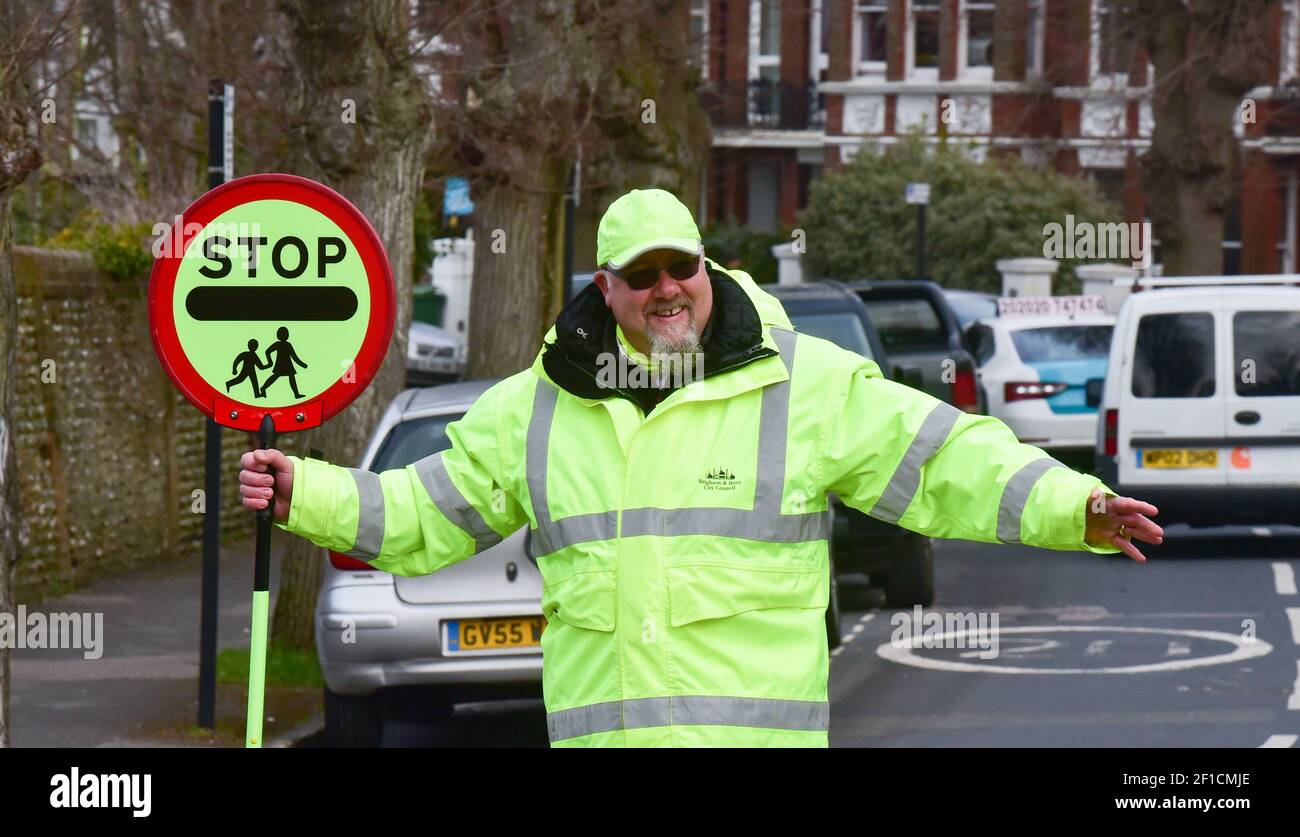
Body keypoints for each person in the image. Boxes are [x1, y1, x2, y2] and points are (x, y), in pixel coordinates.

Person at [239, 188, 1161, 747]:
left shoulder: (801, 384)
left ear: (709, 267)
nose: (666, 287)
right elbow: (421, 512)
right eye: (642, 275)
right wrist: (302, 490)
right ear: (606, 288)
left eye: (682, 265)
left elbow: (943, 455)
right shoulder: (538, 404)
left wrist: (1070, 503)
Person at [260, 326, 308, 399]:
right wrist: (270, 362)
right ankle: (263, 388)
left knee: (289, 377)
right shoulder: (282, 344)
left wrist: (302, 364)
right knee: (277, 376)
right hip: (282, 364)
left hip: (286, 364)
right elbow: (267, 351)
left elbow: (294, 356)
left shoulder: (286, 344)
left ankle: (296, 394)